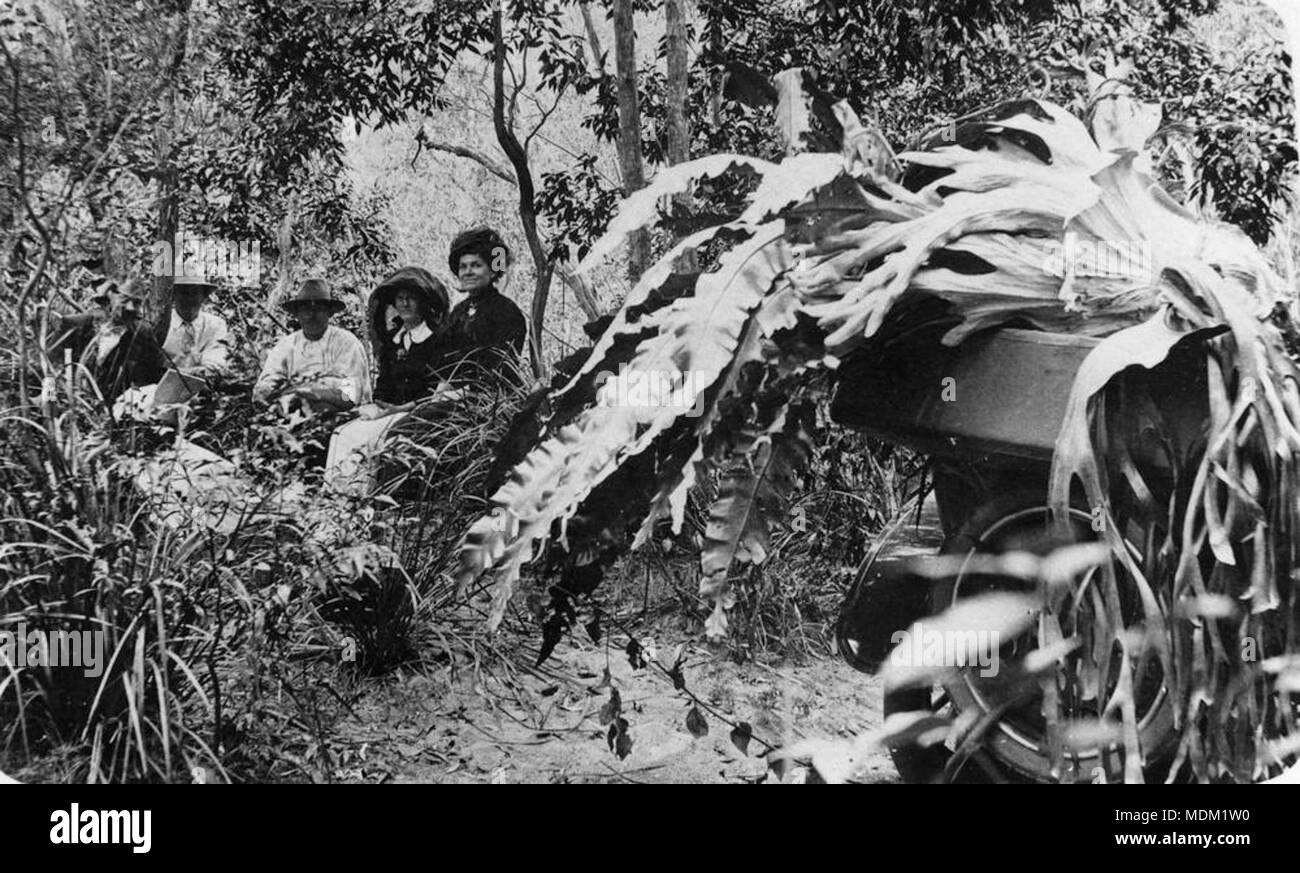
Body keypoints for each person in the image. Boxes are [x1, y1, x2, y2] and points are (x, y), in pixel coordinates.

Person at [253, 278, 371, 414]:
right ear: (297, 314)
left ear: (329, 312)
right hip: (293, 413)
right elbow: (266, 386)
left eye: (319, 309)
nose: (311, 315)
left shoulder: (347, 343)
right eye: (305, 309)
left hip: (345, 419)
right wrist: (268, 394)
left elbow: (349, 396)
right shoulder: (286, 346)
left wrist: (308, 392)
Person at [51, 277, 168, 405]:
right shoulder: (75, 324)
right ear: (110, 296)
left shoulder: (142, 334)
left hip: (119, 412)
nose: (130, 308)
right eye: (125, 299)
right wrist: (48, 403)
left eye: (136, 303)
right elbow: (50, 367)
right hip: (73, 406)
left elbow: (156, 375)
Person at [439, 227, 527, 384]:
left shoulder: (507, 311)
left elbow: (503, 369)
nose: (468, 272)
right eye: (463, 267)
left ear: (493, 271)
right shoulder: (458, 312)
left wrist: (463, 393)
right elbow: (445, 362)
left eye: (476, 265)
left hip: (492, 398)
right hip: (451, 396)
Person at [369, 266, 450, 409]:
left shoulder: (437, 339)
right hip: (389, 413)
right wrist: (380, 402)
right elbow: (383, 383)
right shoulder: (392, 340)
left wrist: (405, 408)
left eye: (411, 298)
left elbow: (437, 389)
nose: (405, 304)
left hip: (425, 414)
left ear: (422, 302)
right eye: (400, 298)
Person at [162, 273, 230, 380]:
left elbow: (214, 363)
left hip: (203, 387)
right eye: (184, 293)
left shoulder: (215, 325)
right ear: (174, 295)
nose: (189, 299)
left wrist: (193, 373)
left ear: (203, 296)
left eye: (194, 293)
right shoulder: (162, 323)